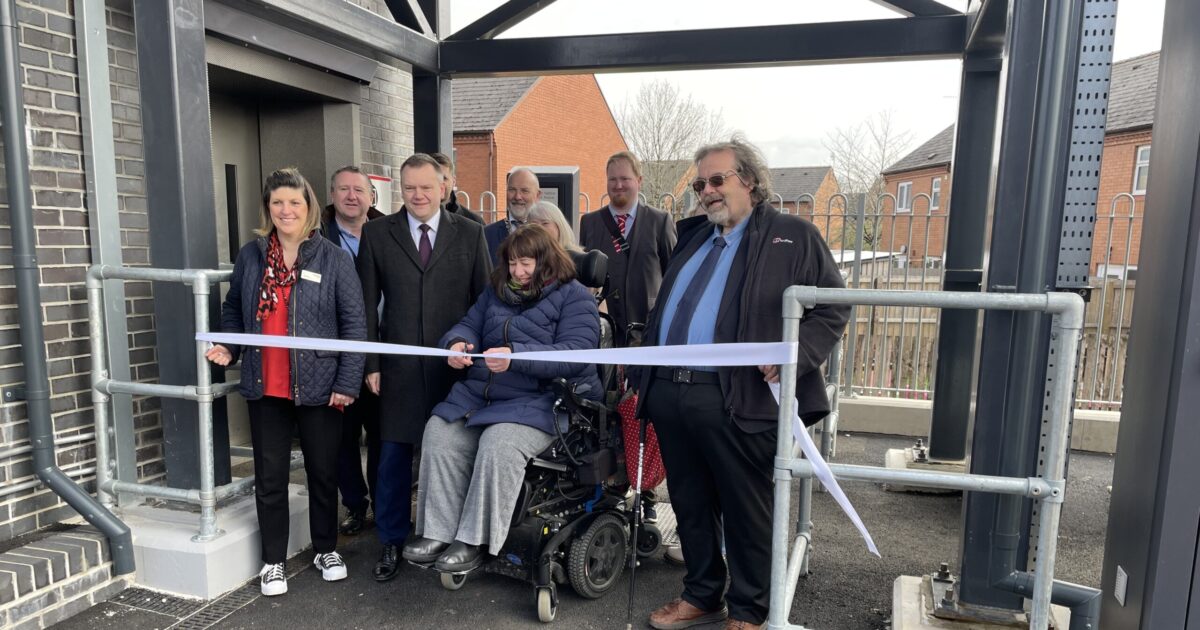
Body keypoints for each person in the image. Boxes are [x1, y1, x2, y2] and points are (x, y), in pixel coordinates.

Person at [637, 137, 850, 630]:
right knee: (688, 501)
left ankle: (751, 610)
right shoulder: (692, 238)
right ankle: (702, 594)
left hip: (737, 397)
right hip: (671, 390)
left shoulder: (792, 235)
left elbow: (834, 306)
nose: (707, 192)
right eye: (699, 184)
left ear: (749, 181)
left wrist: (796, 356)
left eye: (717, 180)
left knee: (745, 506)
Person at [401, 225, 601, 572]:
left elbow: (577, 353)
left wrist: (516, 356)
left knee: (498, 442)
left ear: (547, 260)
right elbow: (467, 325)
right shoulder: (495, 292)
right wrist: (455, 344)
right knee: (439, 430)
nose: (518, 272)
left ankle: (475, 541)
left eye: (527, 264)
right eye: (512, 263)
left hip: (543, 402)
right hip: (484, 396)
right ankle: (437, 531)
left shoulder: (575, 297)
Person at [206, 167, 366, 597]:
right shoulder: (251, 255)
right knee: (270, 477)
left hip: (320, 381)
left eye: (294, 202)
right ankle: (273, 560)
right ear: (268, 208)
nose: (286, 210)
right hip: (266, 383)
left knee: (322, 472)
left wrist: (348, 382)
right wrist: (229, 348)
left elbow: (354, 325)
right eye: (278, 202)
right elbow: (235, 309)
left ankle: (325, 548)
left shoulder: (333, 257)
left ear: (309, 206)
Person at [356, 153, 491, 582]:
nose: (417, 195)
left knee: (453, 454)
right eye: (409, 187)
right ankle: (391, 541)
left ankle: (453, 538)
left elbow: (483, 302)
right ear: (400, 189)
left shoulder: (470, 234)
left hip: (456, 369)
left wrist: (479, 363)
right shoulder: (377, 234)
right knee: (392, 457)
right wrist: (371, 364)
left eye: (426, 187)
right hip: (396, 368)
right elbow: (365, 307)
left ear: (443, 188)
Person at [321, 165, 385, 537]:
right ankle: (355, 505)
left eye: (359, 190)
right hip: (339, 359)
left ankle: (382, 502)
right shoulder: (319, 239)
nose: (351, 196)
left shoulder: (388, 234)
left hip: (380, 355)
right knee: (343, 439)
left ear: (370, 197)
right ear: (332, 195)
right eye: (343, 189)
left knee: (381, 435)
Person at [579, 151, 676, 347]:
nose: (618, 185)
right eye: (612, 179)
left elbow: (673, 274)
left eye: (625, 178)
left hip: (648, 327)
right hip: (604, 327)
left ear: (639, 180)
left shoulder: (660, 221)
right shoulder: (590, 222)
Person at [484, 167, 541, 263]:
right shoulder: (486, 235)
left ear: (537, 195)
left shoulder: (546, 232)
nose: (517, 197)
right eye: (512, 190)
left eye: (524, 191)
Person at [430, 152, 485, 225]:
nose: (439, 184)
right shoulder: (412, 220)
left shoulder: (475, 224)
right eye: (433, 178)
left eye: (444, 178)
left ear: (453, 182)